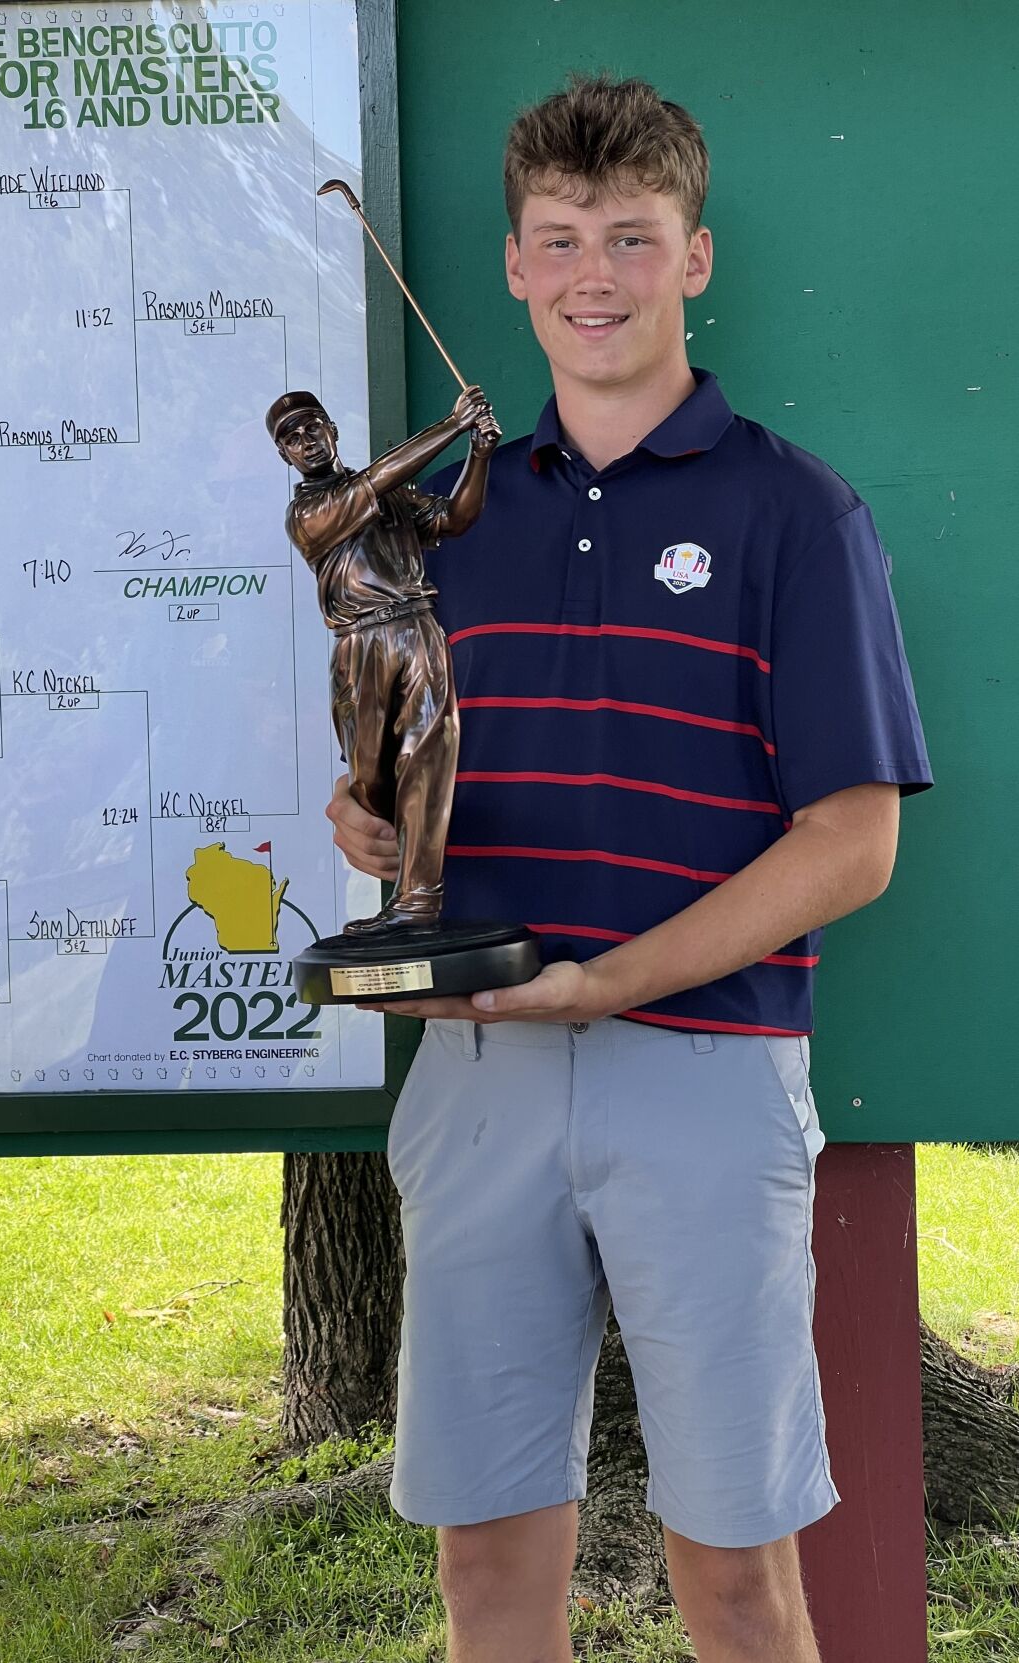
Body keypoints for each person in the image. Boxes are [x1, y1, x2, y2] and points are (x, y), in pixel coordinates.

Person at [325, 72, 933, 1663]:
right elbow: (414, 777)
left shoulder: (795, 513)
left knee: (734, 1577)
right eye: (557, 238)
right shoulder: (445, 529)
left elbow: (850, 840)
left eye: (630, 235)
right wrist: (379, 825)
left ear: (694, 257)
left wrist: (609, 979)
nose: (593, 270)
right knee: (484, 1567)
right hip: (475, 1080)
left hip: (707, 1073)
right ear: (514, 269)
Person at [269, 385, 500, 932]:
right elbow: (374, 481)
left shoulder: (391, 495)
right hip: (360, 647)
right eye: (292, 438)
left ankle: (419, 900)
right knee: (373, 783)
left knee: (428, 756)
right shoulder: (307, 513)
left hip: (417, 627)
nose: (307, 441)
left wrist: (480, 454)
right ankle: (404, 884)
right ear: (285, 455)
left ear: (332, 430)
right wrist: (454, 425)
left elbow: (458, 519)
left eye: (313, 426)